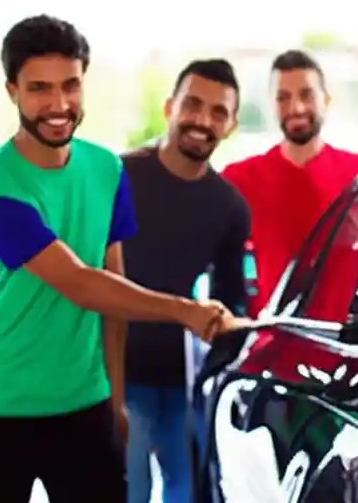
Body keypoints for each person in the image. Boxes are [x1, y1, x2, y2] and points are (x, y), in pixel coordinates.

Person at [0, 15, 237, 503]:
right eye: (39, 88)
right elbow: (81, 283)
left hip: (84, 405)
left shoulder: (105, 168)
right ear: (12, 92)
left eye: (71, 85)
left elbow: (113, 287)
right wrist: (184, 310)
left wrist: (114, 396)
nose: (59, 105)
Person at [119, 58, 250, 503]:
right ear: (169, 107)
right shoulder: (119, 177)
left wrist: (224, 373)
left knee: (190, 492)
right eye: (193, 105)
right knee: (126, 492)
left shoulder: (229, 207)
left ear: (230, 126)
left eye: (219, 112)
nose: (203, 120)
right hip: (115, 375)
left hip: (184, 382)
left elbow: (231, 302)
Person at [222, 49, 358, 317]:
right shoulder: (240, 178)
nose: (296, 108)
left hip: (347, 346)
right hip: (270, 342)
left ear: (326, 99)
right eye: (283, 98)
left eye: (306, 95)